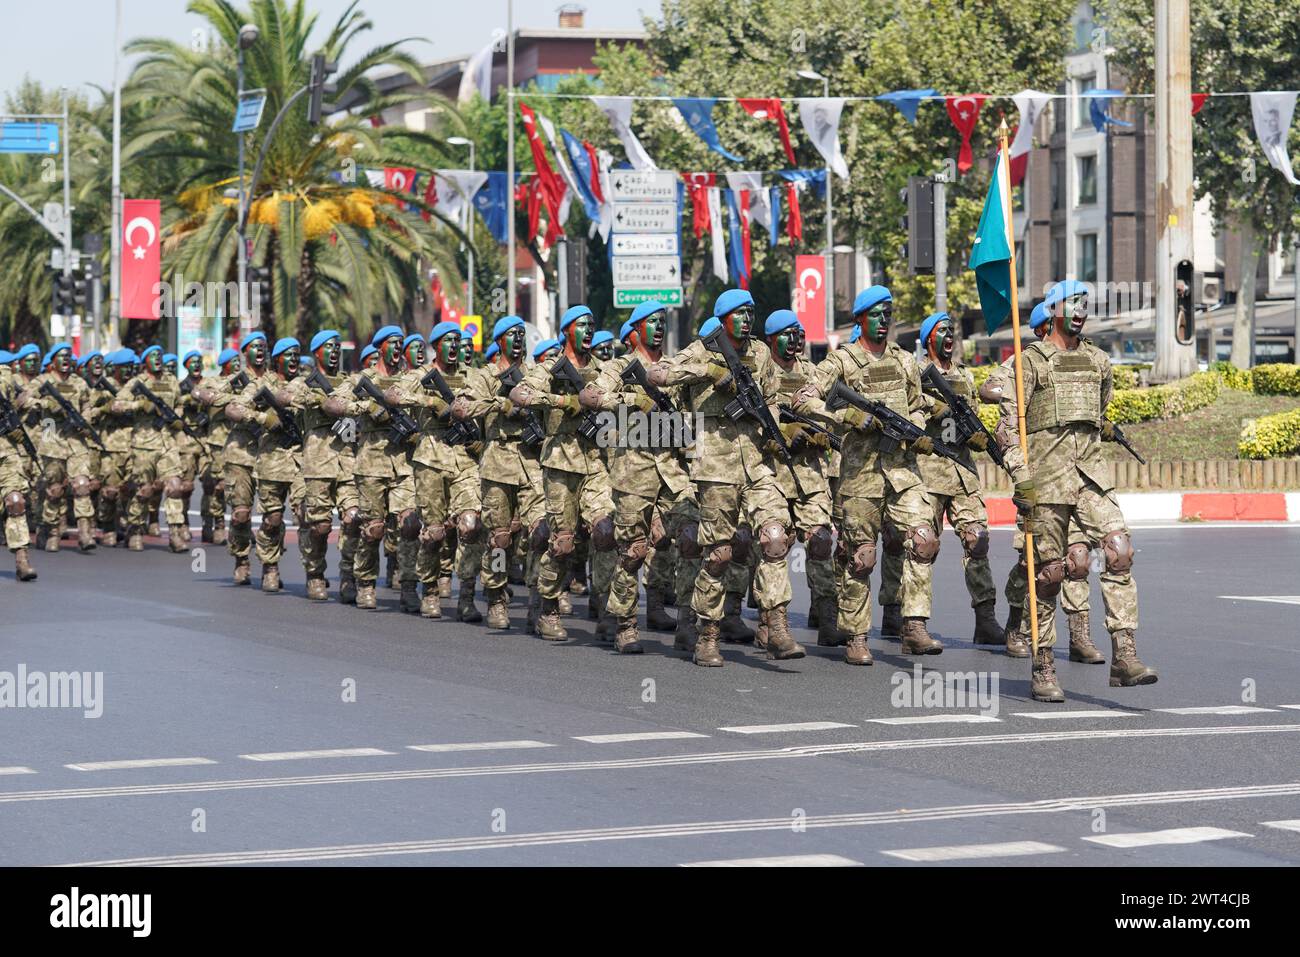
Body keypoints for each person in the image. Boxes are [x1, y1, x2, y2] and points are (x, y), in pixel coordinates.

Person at [997, 279, 1157, 702]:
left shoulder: (1099, 361)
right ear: (1052, 311)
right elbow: (1008, 430)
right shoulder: (1027, 363)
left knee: (1119, 550)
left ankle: (1125, 655)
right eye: (1073, 303)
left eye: (1086, 303)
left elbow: (1099, 415)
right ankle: (1043, 664)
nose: (1082, 310)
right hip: (1045, 480)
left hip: (1091, 475)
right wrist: (1020, 476)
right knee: (1049, 574)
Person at [647, 289, 805, 667]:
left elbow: (769, 398)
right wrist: (709, 371)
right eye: (740, 313)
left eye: (751, 312)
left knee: (775, 537)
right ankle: (707, 634)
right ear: (723, 319)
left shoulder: (762, 354)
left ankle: (778, 625)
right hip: (715, 469)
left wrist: (776, 426)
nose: (748, 319)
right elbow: (658, 373)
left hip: (757, 463)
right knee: (718, 554)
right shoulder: (702, 350)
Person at [793, 285, 939, 662]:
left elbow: (919, 404)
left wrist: (916, 428)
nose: (883, 320)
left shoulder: (905, 361)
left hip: (902, 472)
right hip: (860, 476)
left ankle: (914, 626)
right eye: (876, 314)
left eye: (888, 313)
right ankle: (856, 636)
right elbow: (803, 400)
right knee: (861, 557)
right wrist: (847, 416)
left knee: (924, 540)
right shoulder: (841, 362)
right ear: (859, 319)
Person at [580, 300, 698, 653]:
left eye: (663, 321)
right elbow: (589, 395)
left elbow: (691, 412)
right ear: (636, 329)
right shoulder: (619, 366)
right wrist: (633, 400)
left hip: (673, 470)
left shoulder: (675, 367)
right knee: (632, 551)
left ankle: (689, 623)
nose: (659, 327)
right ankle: (626, 623)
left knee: (692, 538)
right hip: (633, 470)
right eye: (652, 322)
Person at [895, 311, 1003, 646]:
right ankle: (913, 624)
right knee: (922, 545)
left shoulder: (965, 378)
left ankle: (985, 619)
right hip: (928, 471)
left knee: (978, 539)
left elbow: (968, 418)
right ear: (928, 338)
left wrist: (977, 438)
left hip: (962, 472)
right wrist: (933, 406)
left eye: (951, 332)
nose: (948, 337)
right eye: (942, 331)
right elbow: (904, 401)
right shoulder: (915, 372)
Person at [510, 305, 617, 641]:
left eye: (592, 325)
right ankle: (547, 607)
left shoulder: (603, 369)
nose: (589, 331)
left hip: (596, 461)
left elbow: (619, 400)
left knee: (606, 531)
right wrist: (562, 402)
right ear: (568, 330)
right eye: (583, 326)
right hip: (559, 463)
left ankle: (606, 607)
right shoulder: (551, 368)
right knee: (563, 543)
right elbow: (519, 393)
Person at [451, 316, 547, 631]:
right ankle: (495, 598)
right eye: (511, 335)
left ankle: (539, 603)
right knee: (499, 539)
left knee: (541, 533)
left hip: (533, 462)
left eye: (522, 334)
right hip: (498, 461)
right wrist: (500, 405)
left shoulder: (536, 373)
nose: (518, 340)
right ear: (500, 341)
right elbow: (461, 408)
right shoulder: (484, 376)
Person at [762, 309, 842, 649]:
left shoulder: (811, 374)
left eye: (798, 333)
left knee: (822, 542)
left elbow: (827, 411)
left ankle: (827, 619)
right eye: (786, 333)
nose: (795, 340)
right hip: (770, 474)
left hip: (809, 474)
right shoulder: (759, 373)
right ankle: (774, 624)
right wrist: (781, 430)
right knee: (775, 543)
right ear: (771, 339)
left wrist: (820, 433)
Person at [406, 321, 485, 621]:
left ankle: (466, 597)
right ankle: (429, 591)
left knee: (471, 524)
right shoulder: (420, 376)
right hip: (431, 460)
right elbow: (393, 396)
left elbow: (489, 402)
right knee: (435, 533)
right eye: (448, 342)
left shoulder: (471, 377)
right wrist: (429, 400)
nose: (454, 347)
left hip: (464, 458)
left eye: (458, 342)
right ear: (436, 346)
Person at [351, 326, 419, 611]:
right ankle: (365, 584)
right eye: (393, 343)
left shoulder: (410, 379)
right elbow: (335, 403)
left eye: (401, 343)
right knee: (373, 529)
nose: (398, 348)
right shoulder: (364, 378)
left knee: (410, 525)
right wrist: (368, 407)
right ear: (380, 348)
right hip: (372, 465)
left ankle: (408, 586)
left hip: (403, 464)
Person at [230, 337, 307, 592]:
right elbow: (234, 409)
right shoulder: (261, 384)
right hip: (271, 460)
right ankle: (269, 567)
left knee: (306, 513)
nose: (294, 359)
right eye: (288, 355)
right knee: (272, 518)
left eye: (297, 354)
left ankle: (314, 573)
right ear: (278, 359)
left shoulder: (305, 383)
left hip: (300, 459)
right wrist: (264, 418)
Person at [202, 331, 272, 582]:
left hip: (271, 452)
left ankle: (269, 565)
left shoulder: (276, 378)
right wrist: (238, 400)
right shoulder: (235, 380)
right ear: (245, 353)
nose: (260, 350)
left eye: (263, 346)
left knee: (272, 515)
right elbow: (204, 394)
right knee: (241, 513)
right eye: (255, 347)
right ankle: (241, 560)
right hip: (240, 451)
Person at [298, 330, 362, 603]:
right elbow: (282, 396)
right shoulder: (305, 383)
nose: (334, 352)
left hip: (347, 461)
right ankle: (314, 574)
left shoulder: (349, 382)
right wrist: (315, 399)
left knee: (354, 518)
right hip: (318, 463)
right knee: (320, 525)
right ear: (316, 353)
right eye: (329, 347)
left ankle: (348, 575)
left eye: (337, 347)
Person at [22, 342, 98, 552]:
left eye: (68, 358)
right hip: (51, 435)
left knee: (82, 484)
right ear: (53, 361)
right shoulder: (42, 381)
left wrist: (84, 421)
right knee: (54, 490)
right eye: (61, 358)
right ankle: (51, 531)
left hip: (76, 441)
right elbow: (22, 400)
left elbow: (87, 406)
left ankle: (85, 533)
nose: (65, 361)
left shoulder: (79, 383)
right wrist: (47, 405)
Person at [117, 344, 189, 552]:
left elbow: (179, 403)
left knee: (175, 486)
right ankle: (135, 529)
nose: (158, 359)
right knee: (143, 490)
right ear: (145, 361)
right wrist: (139, 406)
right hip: (143, 444)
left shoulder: (171, 381)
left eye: (160, 355)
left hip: (168, 442)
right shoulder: (136, 383)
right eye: (153, 355)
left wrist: (177, 416)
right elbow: (117, 405)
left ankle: (175, 534)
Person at [0, 349, 37, 579]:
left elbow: (30, 401)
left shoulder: (13, 382)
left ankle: (22, 560)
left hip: (8, 453)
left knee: (16, 500)